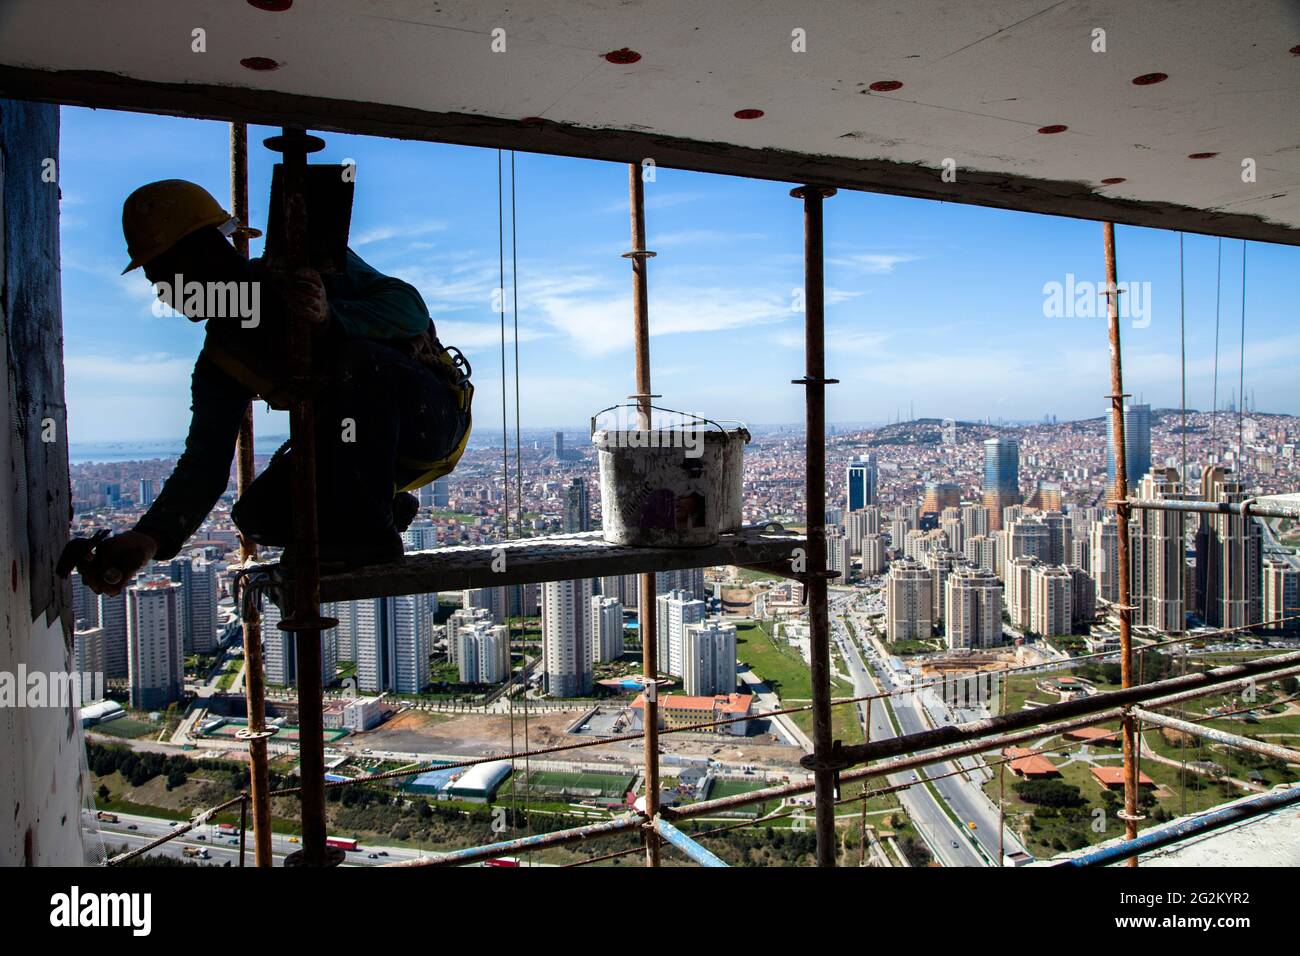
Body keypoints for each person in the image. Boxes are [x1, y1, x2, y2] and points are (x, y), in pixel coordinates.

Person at [80, 180, 472, 596]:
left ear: (204, 253)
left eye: (164, 274)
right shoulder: (224, 360)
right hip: (368, 456)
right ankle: (381, 512)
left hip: (430, 421)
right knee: (259, 513)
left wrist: (330, 316)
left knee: (359, 360)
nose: (161, 291)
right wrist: (150, 538)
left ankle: (372, 537)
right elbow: (205, 462)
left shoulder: (305, 266)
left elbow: (409, 309)